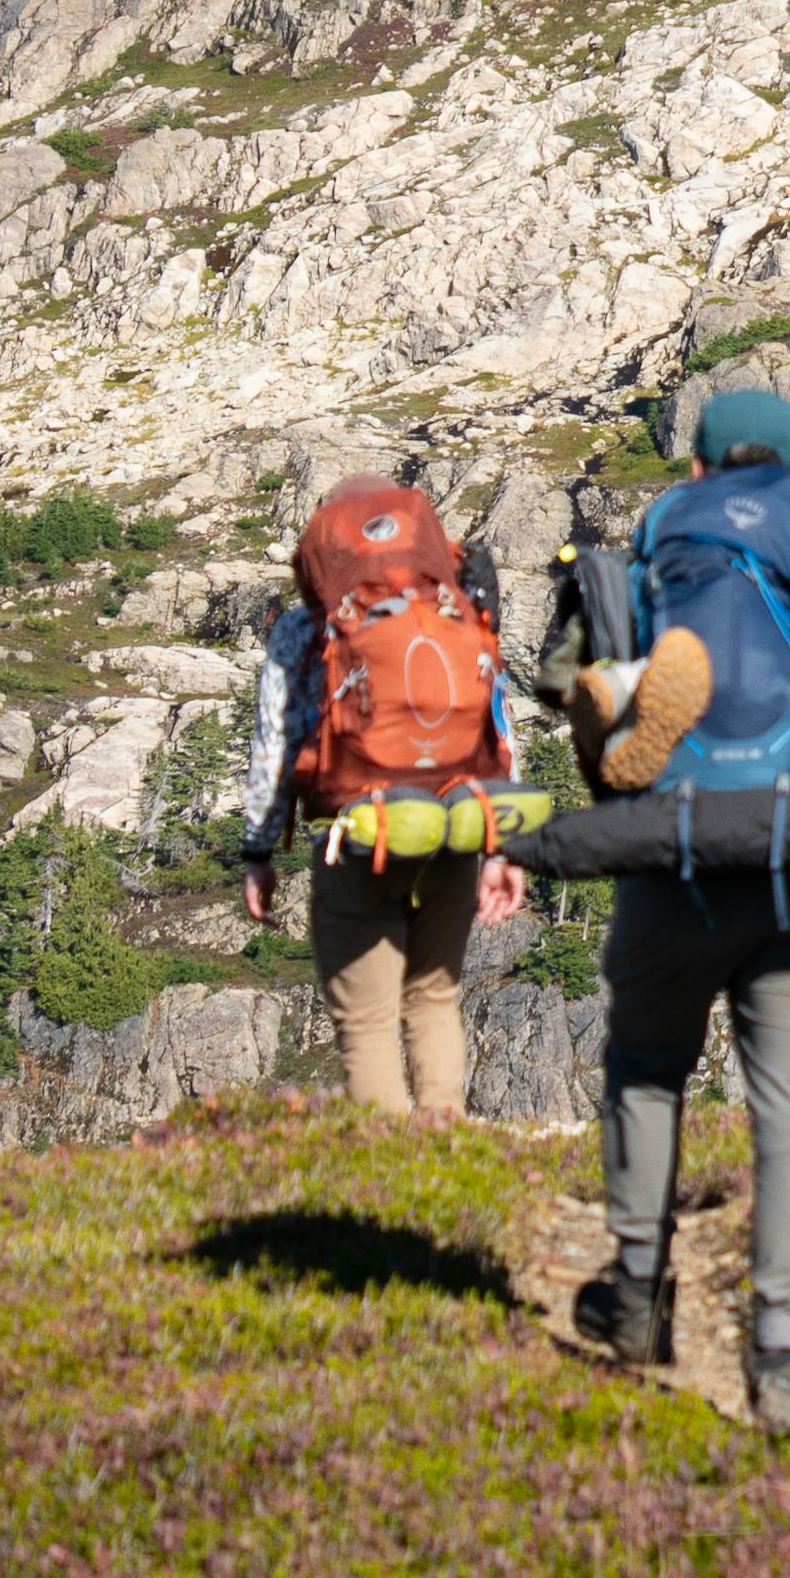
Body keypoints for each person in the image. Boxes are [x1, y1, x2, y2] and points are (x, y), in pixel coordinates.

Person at [532, 380, 790, 1437]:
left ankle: (638, 1293)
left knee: (647, 1068)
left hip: (677, 863)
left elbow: (573, 697)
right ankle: (780, 1354)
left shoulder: (654, 573)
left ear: (692, 468)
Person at [236, 460, 545, 1127]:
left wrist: (257, 850)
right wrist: (503, 849)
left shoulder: (307, 627)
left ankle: (390, 1179)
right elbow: (498, 725)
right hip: (458, 827)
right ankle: (443, 1143)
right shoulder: (457, 608)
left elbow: (274, 741)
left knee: (368, 1018)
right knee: (435, 995)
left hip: (364, 830)